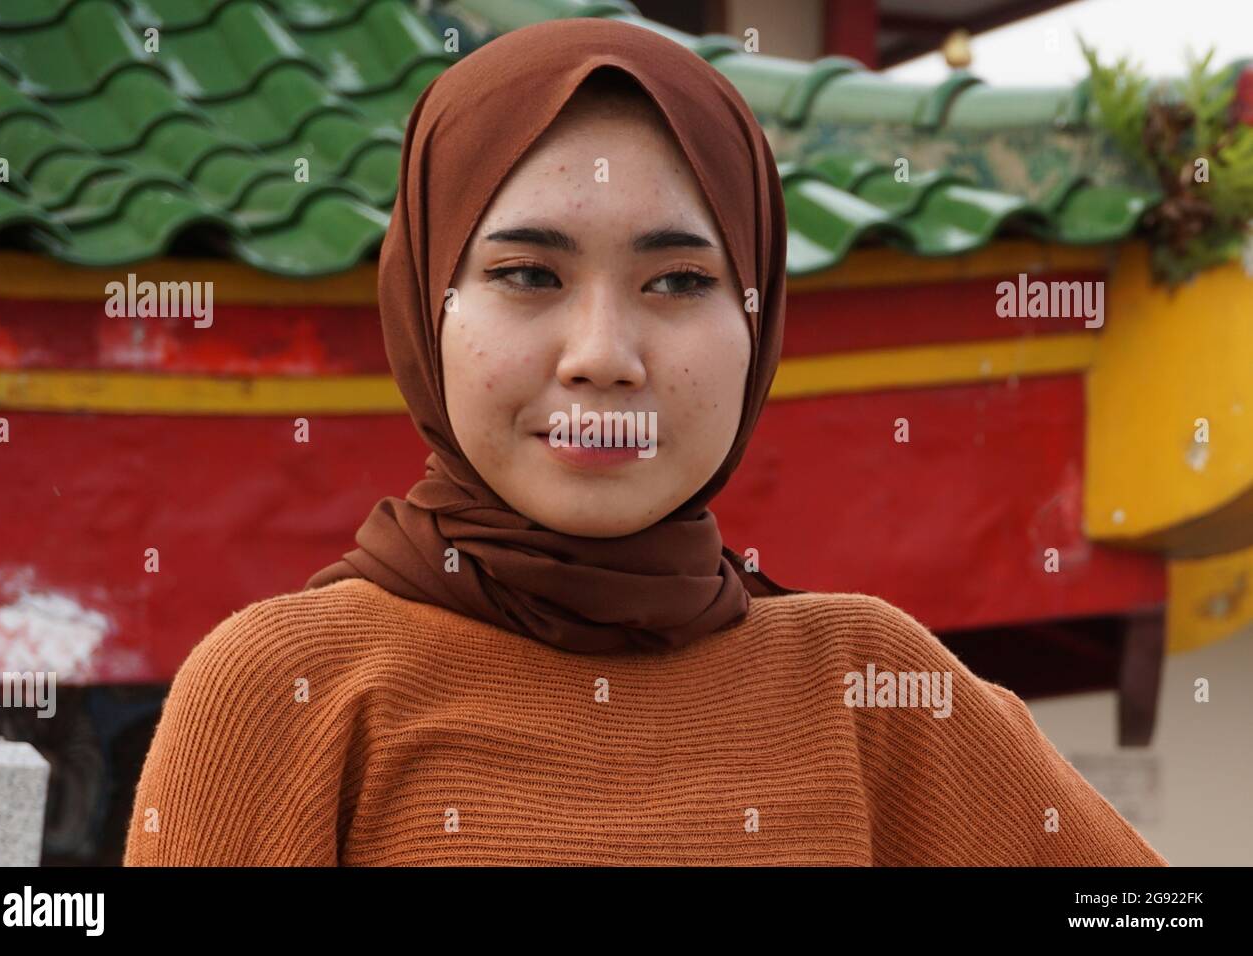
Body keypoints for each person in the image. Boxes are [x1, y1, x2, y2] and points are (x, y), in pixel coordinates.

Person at [123, 17, 1166, 866]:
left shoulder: (870, 687)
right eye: (528, 273)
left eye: (678, 280)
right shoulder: (284, 690)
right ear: (425, 304)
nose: (603, 354)